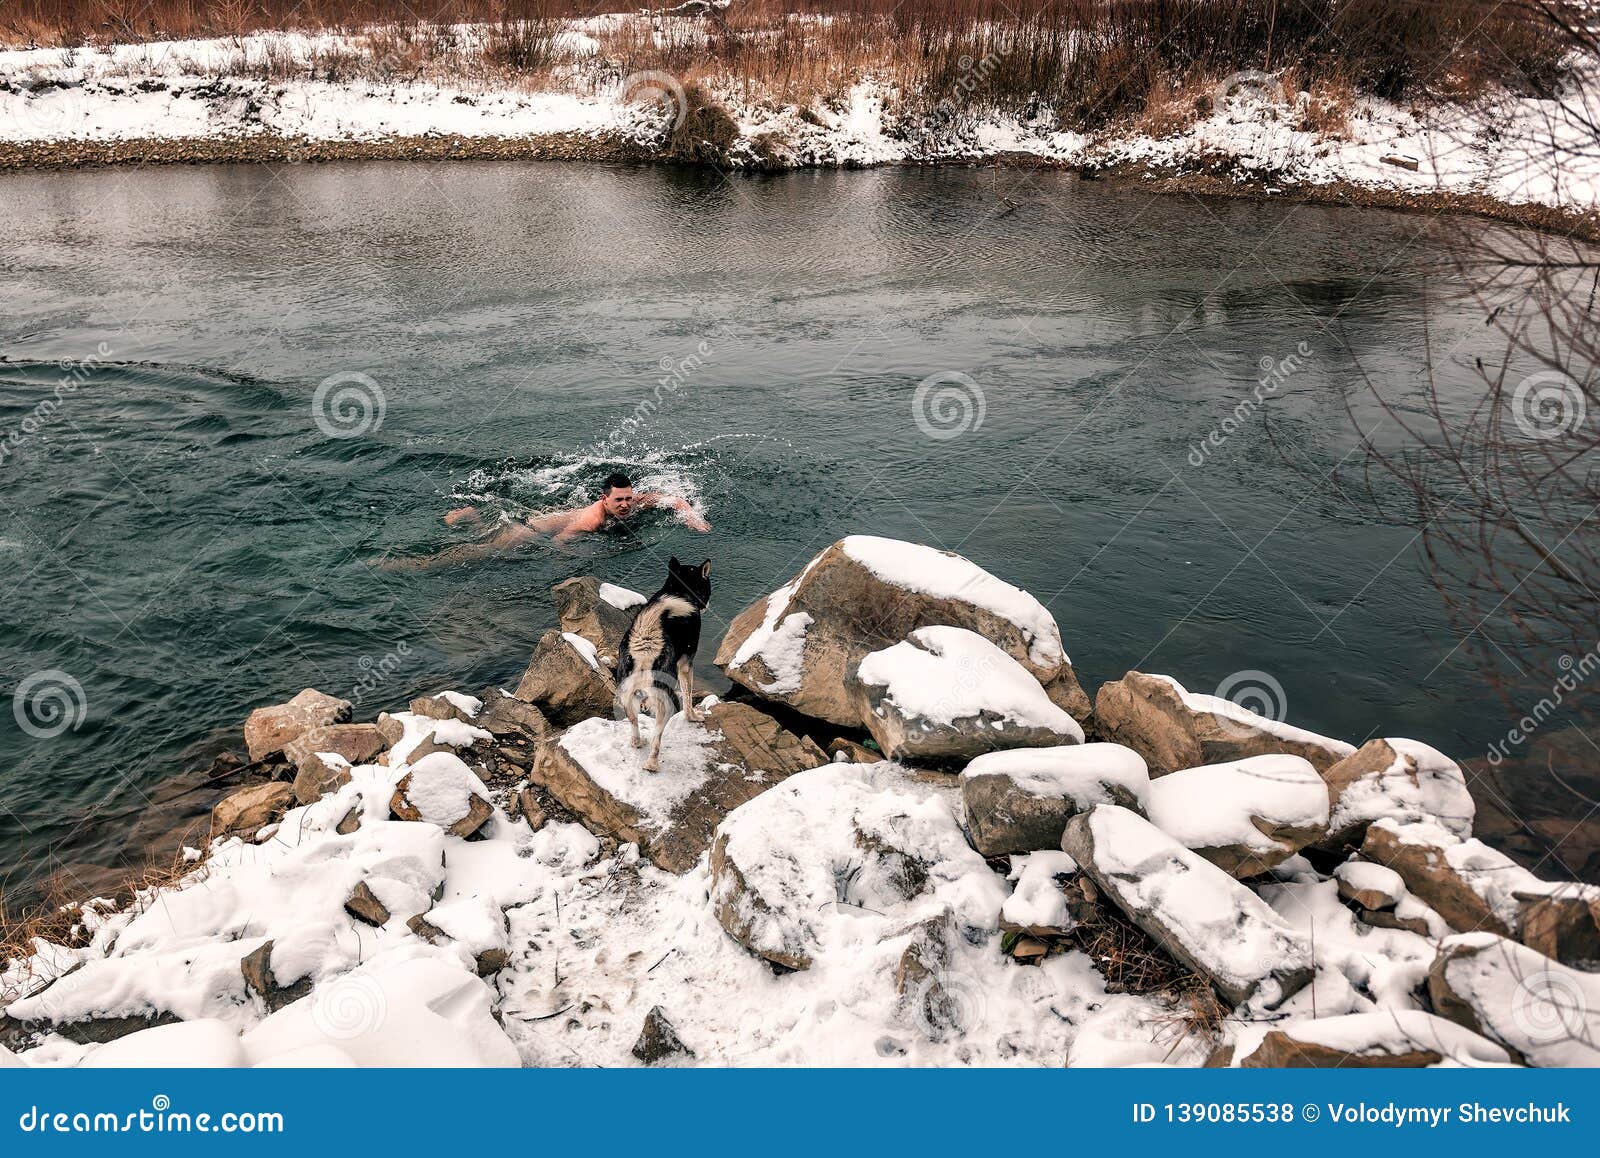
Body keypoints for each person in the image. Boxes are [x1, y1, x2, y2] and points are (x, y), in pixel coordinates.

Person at [443, 471, 711, 547]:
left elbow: (673, 499)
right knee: (486, 550)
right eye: (619, 500)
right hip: (530, 530)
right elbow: (561, 539)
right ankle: (472, 515)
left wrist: (692, 518)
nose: (626, 504)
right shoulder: (591, 521)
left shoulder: (634, 500)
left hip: (548, 517)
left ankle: (473, 516)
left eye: (628, 498)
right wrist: (564, 559)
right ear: (604, 499)